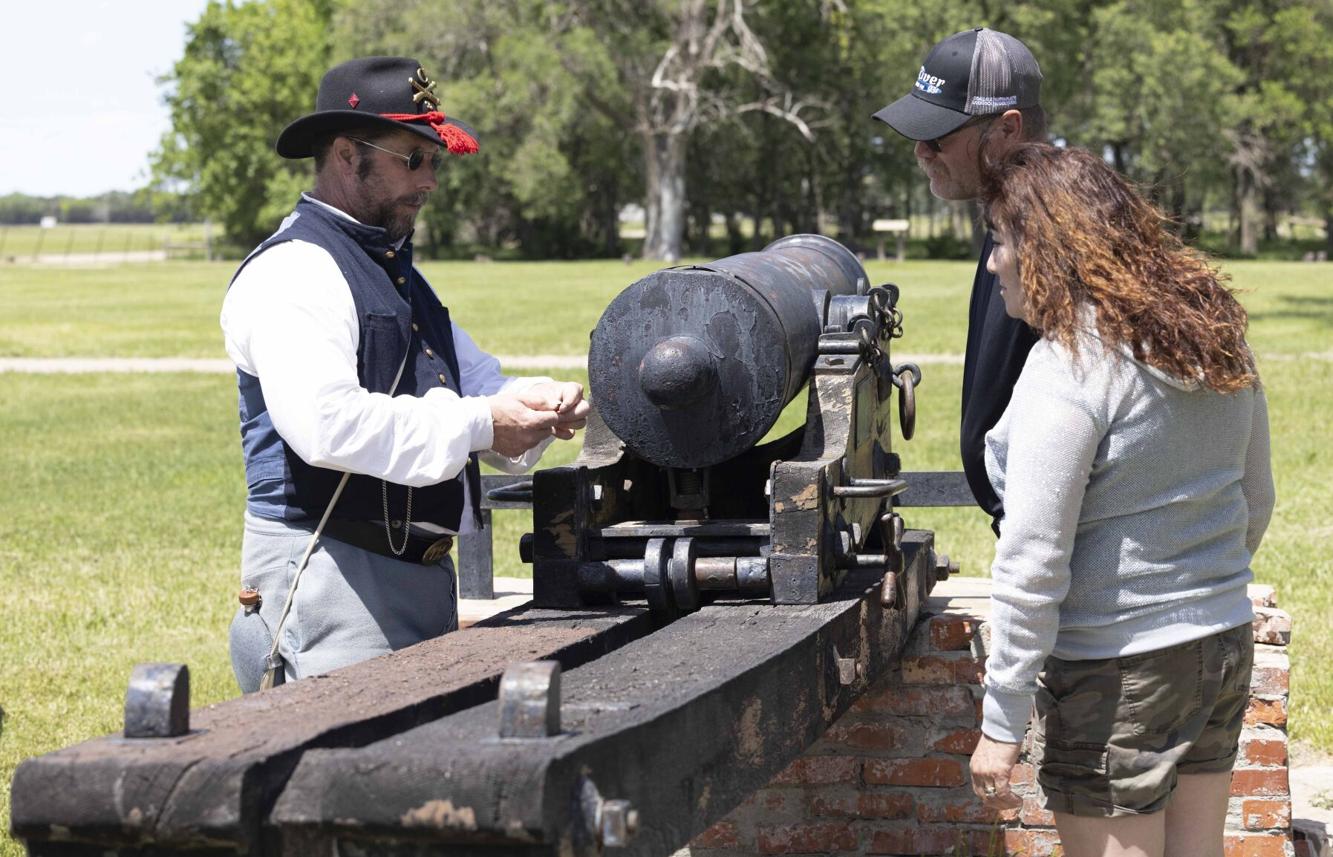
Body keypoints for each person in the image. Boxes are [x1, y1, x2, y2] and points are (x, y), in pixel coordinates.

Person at [220, 56, 589, 692]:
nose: (430, 181)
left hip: (411, 576)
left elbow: (472, 383)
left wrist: (532, 402)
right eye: (412, 159)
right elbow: (329, 427)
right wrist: (484, 422)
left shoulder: (390, 269)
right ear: (346, 155)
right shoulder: (295, 270)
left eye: (434, 161)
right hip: (333, 576)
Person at [967, 144, 1275, 857]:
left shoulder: (1069, 363)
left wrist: (1001, 723)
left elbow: (1033, 557)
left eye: (999, 241)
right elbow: (1254, 496)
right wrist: (1198, 588)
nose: (992, 264)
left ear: (1044, 248)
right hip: (1220, 644)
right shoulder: (1213, 338)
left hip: (1118, 668)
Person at [872, 28, 1047, 530]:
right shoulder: (1011, 219)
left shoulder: (1046, 232)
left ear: (1008, 129)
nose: (920, 152)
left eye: (937, 137)